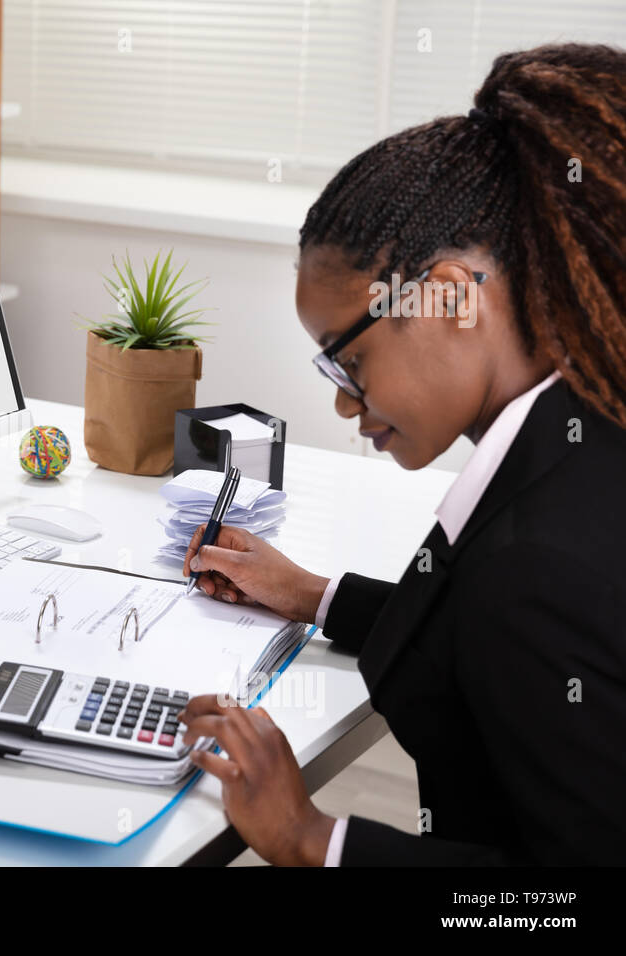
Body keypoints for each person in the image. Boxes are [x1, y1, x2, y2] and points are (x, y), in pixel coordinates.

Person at [178, 43, 626, 865]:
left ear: (453, 296)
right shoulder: (589, 432)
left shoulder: (539, 567)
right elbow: (506, 646)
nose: (346, 403)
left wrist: (315, 840)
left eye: (348, 360)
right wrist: (315, 596)